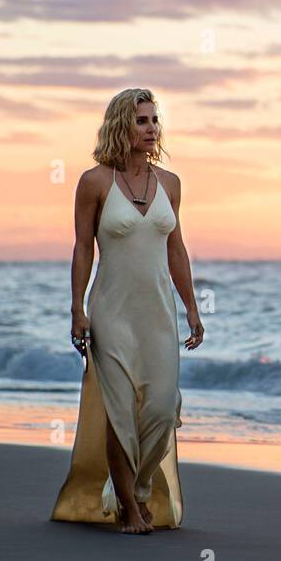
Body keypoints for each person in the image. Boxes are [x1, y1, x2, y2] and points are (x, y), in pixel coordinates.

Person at [51, 87, 204, 534]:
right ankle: (129, 507)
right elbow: (83, 248)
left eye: (155, 120)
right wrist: (77, 309)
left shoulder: (170, 184)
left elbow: (177, 250)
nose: (152, 128)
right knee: (120, 413)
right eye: (141, 121)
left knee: (160, 409)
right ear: (121, 125)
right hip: (110, 313)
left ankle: (133, 491)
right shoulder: (94, 182)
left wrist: (192, 309)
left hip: (157, 314)